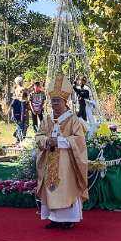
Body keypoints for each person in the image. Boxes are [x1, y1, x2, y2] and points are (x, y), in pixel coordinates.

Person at [35, 75, 88, 229]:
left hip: (67, 161)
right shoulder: (47, 119)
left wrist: (59, 141)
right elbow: (39, 135)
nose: (54, 104)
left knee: (66, 187)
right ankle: (54, 218)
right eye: (52, 101)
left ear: (65, 102)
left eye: (57, 101)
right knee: (50, 187)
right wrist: (46, 141)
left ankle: (69, 219)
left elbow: (79, 140)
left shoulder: (72, 119)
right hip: (49, 159)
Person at [10, 76, 28, 140]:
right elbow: (25, 98)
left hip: (17, 108)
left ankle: (17, 135)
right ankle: (20, 138)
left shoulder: (15, 90)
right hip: (22, 106)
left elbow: (13, 101)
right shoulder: (23, 89)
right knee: (23, 124)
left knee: (19, 123)